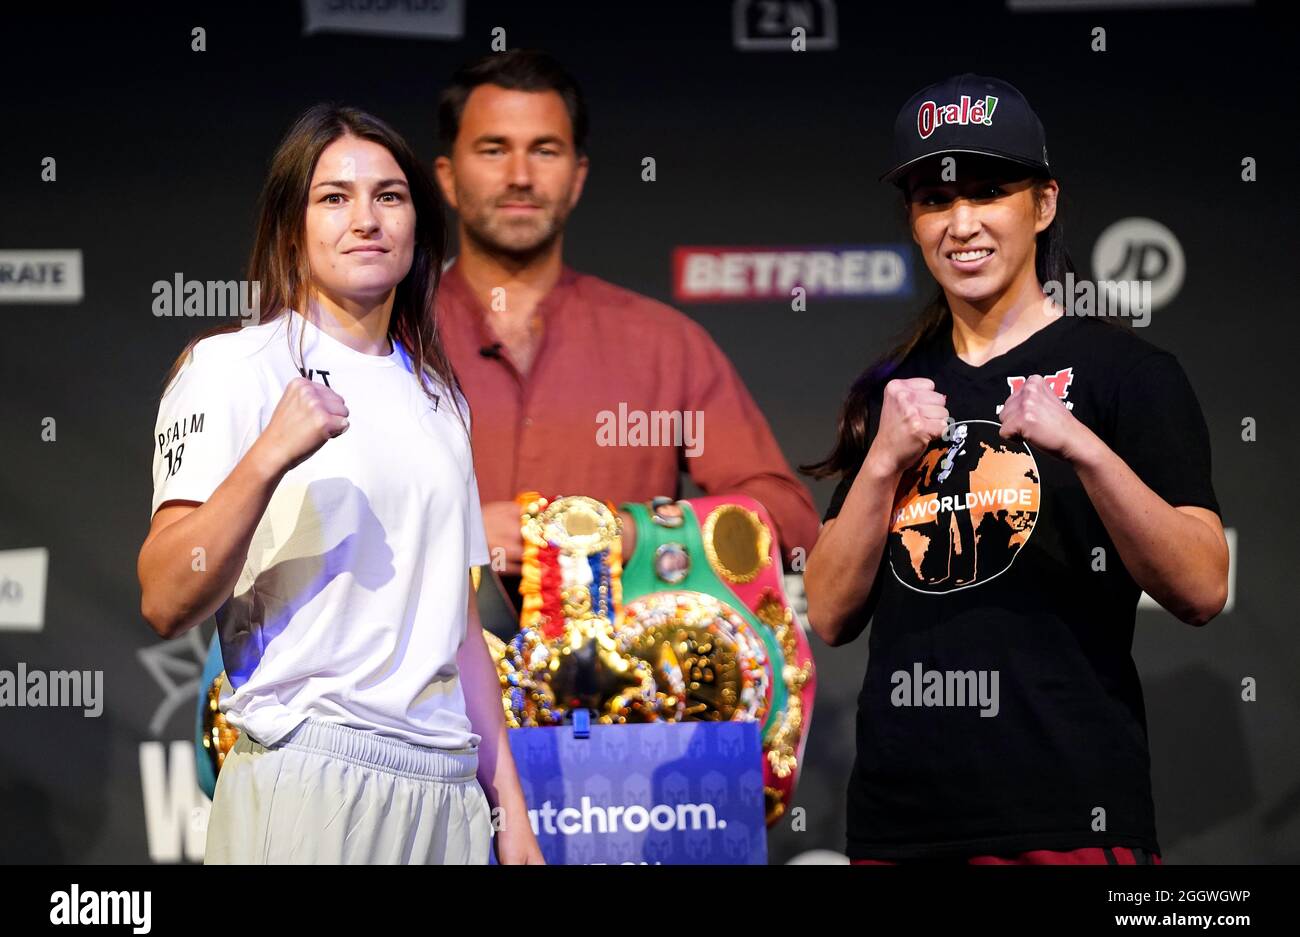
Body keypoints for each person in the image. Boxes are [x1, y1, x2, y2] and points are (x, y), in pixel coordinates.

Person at [803, 75, 1228, 865]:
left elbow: (1203, 587)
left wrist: (1085, 450)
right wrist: (882, 463)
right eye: (935, 198)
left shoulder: (1127, 375)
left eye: (991, 191)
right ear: (914, 219)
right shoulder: (893, 391)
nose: (962, 224)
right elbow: (827, 614)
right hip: (903, 825)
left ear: (1043, 204)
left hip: (1068, 815)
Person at [137, 104, 544, 865]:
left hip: (447, 789)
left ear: (419, 224)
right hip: (311, 773)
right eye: (335, 197)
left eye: (389, 196)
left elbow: (455, 629)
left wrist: (510, 811)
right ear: (293, 227)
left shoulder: (440, 400)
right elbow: (165, 598)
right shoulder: (233, 370)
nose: (366, 218)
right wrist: (265, 458)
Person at [430, 49, 819, 597]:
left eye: (545, 150)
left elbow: (789, 523)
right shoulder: (385, 339)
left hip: (627, 675)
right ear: (447, 177)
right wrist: (460, 534)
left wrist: (630, 532)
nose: (520, 176)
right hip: (434, 678)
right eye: (494, 150)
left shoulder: (662, 343)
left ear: (577, 176)